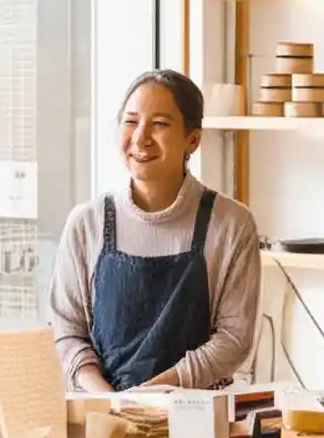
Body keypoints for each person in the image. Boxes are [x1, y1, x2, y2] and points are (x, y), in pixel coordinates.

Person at [50, 69, 261, 393]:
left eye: (160, 124)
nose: (140, 138)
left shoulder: (232, 224)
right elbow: (67, 332)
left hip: (196, 419)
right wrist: (109, 401)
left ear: (193, 139)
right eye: (131, 121)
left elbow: (234, 339)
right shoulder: (86, 223)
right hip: (103, 423)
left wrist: (152, 396)